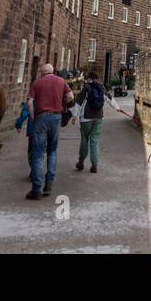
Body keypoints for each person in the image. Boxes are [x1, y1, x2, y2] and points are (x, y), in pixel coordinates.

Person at [27, 63, 73, 200]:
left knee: (38, 152)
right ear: (53, 71)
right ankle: (49, 183)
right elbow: (70, 96)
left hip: (41, 117)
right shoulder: (61, 81)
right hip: (56, 117)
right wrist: (63, 104)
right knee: (52, 150)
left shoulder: (37, 83)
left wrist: (33, 117)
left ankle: (36, 189)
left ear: (42, 73)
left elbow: (29, 103)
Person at [75, 70, 108, 173]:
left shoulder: (86, 87)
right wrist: (118, 108)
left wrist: (74, 116)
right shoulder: (101, 87)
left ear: (89, 78)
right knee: (95, 141)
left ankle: (81, 162)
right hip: (98, 117)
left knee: (84, 140)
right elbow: (109, 98)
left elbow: (79, 102)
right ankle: (94, 165)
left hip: (86, 118)